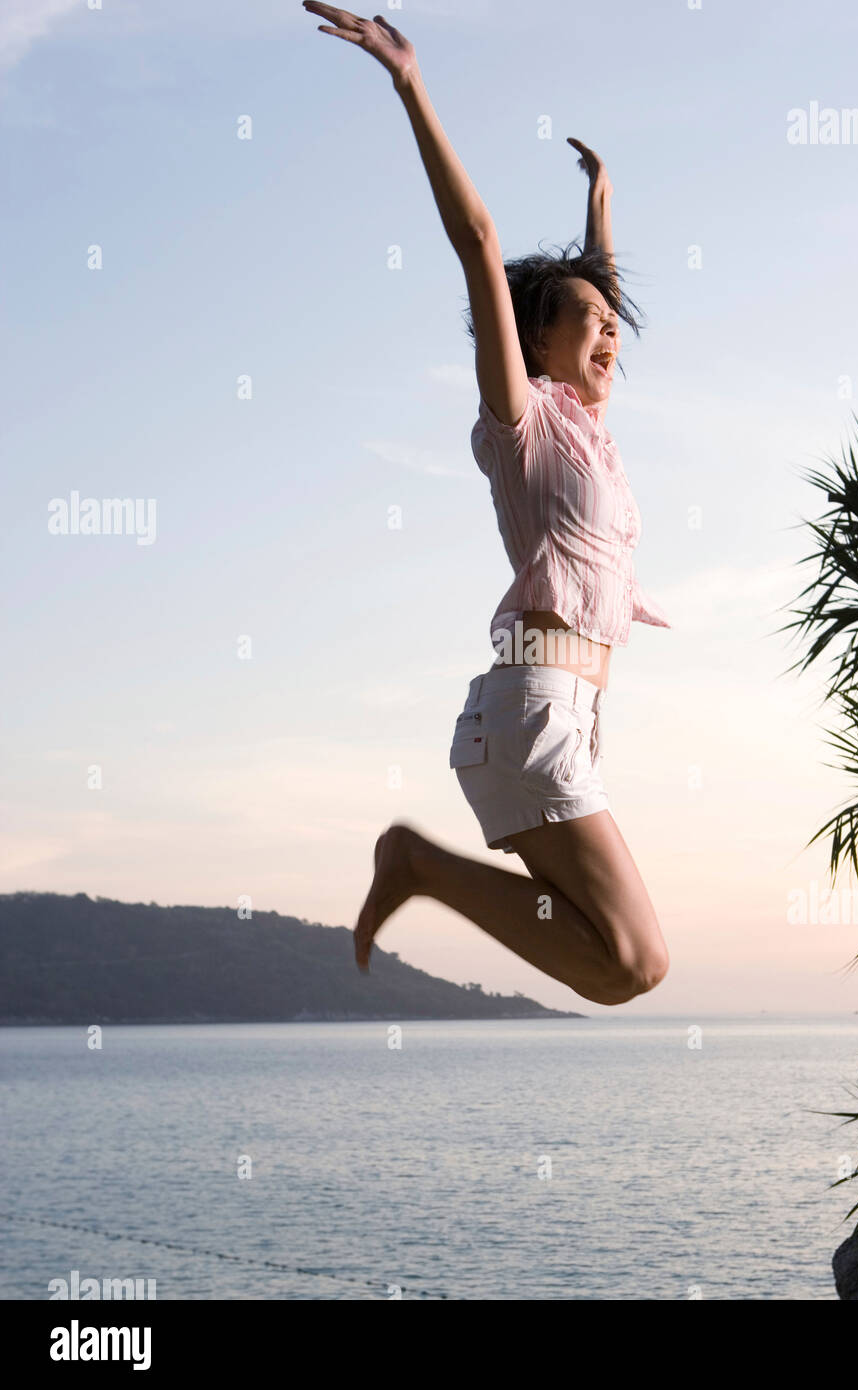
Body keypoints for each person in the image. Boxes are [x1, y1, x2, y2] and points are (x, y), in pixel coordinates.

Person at [303, 5, 671, 1006]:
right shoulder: (525, 427)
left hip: (550, 720)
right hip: (530, 713)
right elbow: (478, 242)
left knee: (611, 960)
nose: (607, 339)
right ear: (532, 342)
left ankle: (421, 865)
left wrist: (600, 202)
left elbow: (594, 301)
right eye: (584, 325)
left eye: (613, 326)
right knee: (636, 961)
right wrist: (409, 82)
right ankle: (417, 864)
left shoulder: (593, 437)